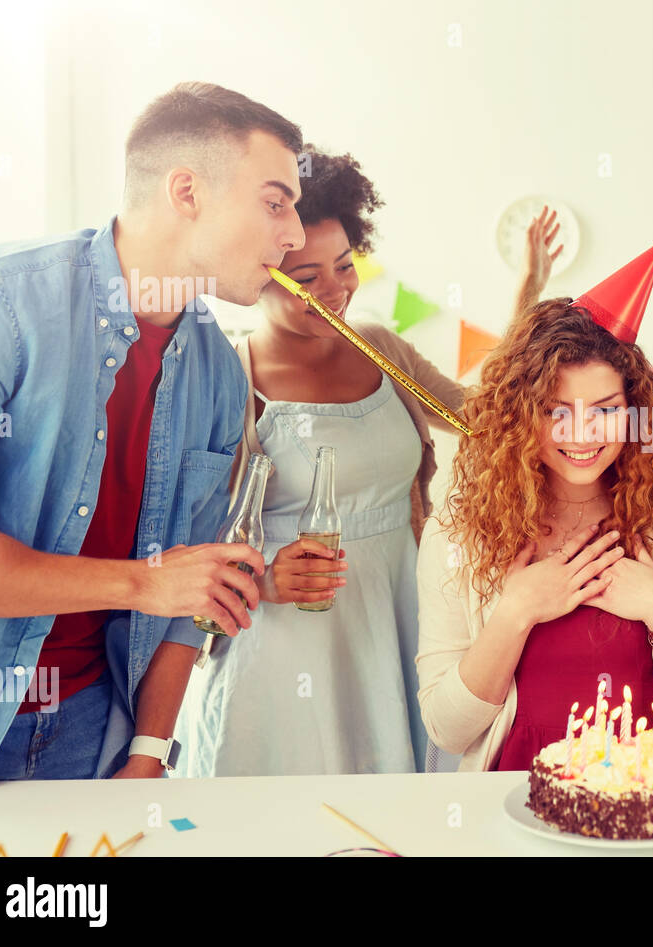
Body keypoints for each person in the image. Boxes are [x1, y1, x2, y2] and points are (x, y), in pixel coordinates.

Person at [0, 82, 307, 798]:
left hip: (94, 728)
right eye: (276, 202)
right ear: (186, 190)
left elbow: (193, 586)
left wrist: (149, 752)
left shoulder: (220, 375)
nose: (295, 235)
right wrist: (145, 582)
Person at [176, 148, 466, 776]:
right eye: (307, 280)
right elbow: (188, 550)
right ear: (258, 274)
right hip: (280, 646)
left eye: (345, 266)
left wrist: (559, 334)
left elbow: (484, 419)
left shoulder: (382, 348)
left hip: (397, 621)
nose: (336, 292)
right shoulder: (229, 378)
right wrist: (263, 583)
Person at [415, 286, 653, 771]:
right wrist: (515, 612)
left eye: (606, 409)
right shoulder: (458, 532)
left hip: (647, 795)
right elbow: (449, 731)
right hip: (511, 796)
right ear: (519, 413)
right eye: (555, 411)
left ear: (633, 411)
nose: (583, 433)